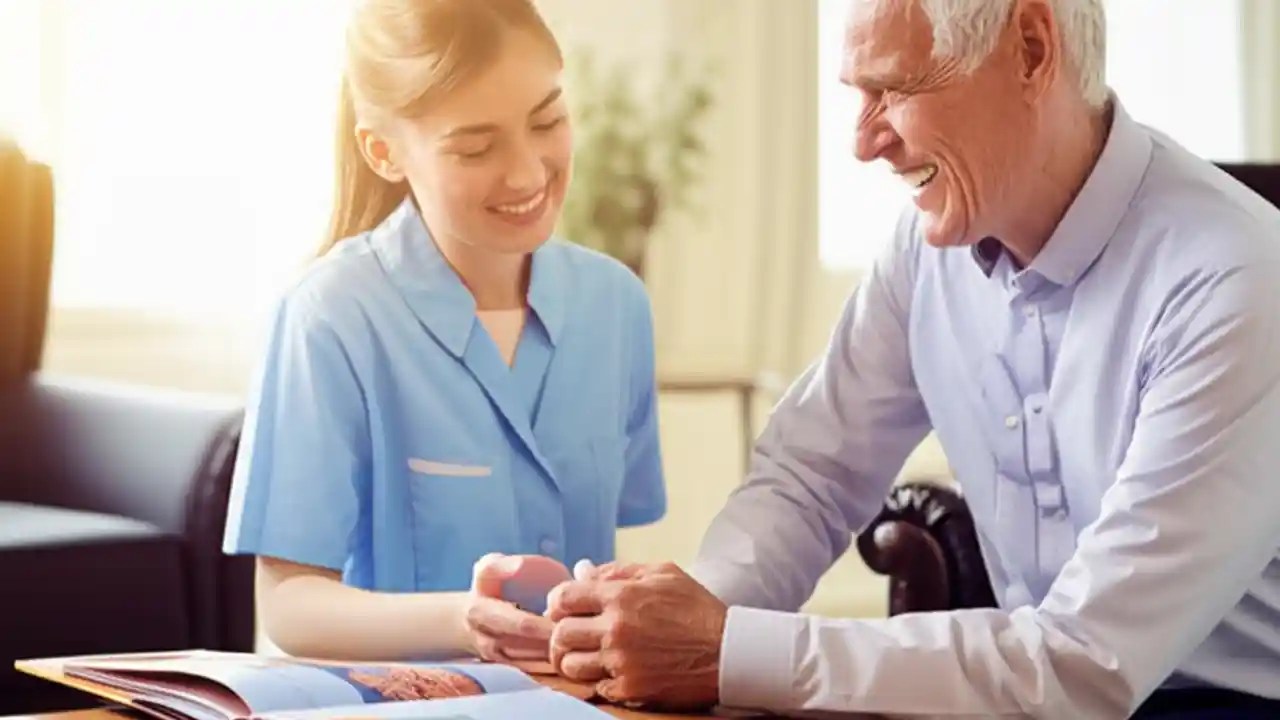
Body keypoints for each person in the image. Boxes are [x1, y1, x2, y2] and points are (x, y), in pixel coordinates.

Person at [544, 0, 1280, 717]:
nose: (864, 142)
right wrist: (684, 619)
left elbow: (1085, 666)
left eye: (893, 88)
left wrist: (725, 650)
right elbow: (812, 474)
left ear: (1029, 48)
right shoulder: (929, 249)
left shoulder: (1236, 279)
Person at [222, 0, 666, 665]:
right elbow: (290, 605)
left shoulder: (616, 305)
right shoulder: (331, 316)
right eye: (475, 147)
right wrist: (461, 621)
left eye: (547, 120)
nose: (526, 172)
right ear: (383, 150)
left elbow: (606, 554)